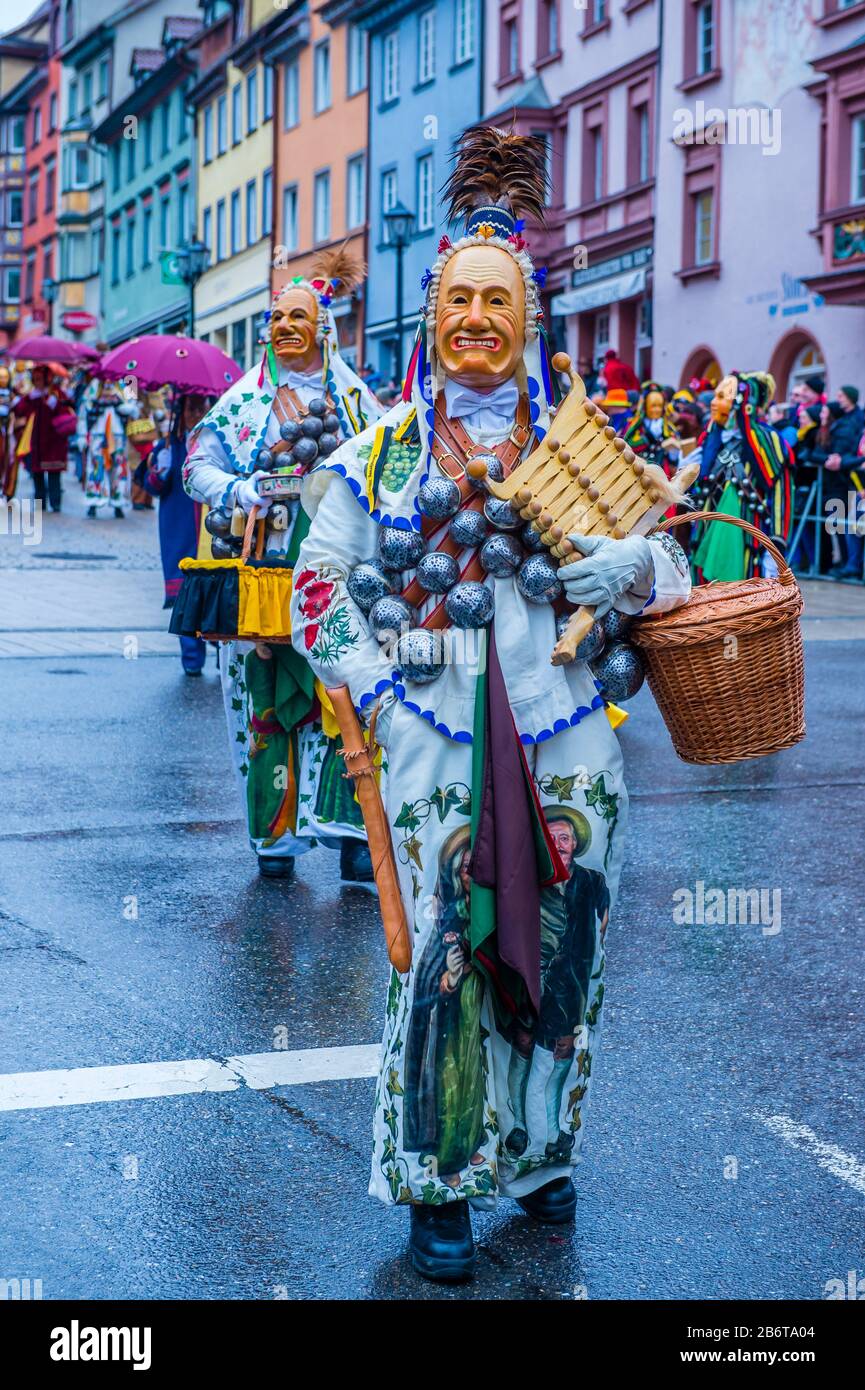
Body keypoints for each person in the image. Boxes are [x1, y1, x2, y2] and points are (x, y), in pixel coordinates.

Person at [290, 124, 691, 1282]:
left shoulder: (587, 451)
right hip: (430, 748)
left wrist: (632, 570)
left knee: (566, 954)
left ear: (531, 318)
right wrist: (380, 690)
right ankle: (441, 1180)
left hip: (572, 741)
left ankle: (540, 1149)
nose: (476, 318)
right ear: (431, 317)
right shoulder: (380, 459)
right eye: (457, 299)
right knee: (444, 965)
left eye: (496, 300)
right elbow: (318, 593)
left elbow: (675, 573)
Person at [182, 245, 384, 882]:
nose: (284, 326)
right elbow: (196, 469)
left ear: (324, 329)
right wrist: (237, 489)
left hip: (337, 577)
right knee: (267, 704)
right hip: (262, 578)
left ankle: (354, 836)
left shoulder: (357, 406)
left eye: (298, 316)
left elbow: (390, 469)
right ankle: (273, 840)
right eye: (276, 318)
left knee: (344, 698)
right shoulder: (243, 404)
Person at [690, 372, 793, 582]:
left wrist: (775, 544)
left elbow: (782, 493)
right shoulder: (713, 438)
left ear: (742, 403)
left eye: (722, 397)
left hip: (748, 538)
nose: (713, 403)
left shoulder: (768, 440)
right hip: (706, 532)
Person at [143, 392, 214, 675]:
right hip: (179, 525)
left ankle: (223, 656)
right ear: (181, 412)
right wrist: (159, 470)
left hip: (212, 527)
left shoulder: (219, 443)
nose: (197, 414)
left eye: (201, 408)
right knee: (185, 596)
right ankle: (192, 660)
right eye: (191, 409)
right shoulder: (169, 445)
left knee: (217, 592)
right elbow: (152, 487)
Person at [806, 386, 865, 578]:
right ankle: (848, 564)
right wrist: (828, 460)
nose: (838, 398)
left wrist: (841, 462)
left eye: (841, 395)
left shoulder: (856, 419)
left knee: (844, 525)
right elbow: (817, 452)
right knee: (840, 525)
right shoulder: (840, 423)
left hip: (846, 482)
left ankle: (851, 564)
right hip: (841, 480)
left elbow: (854, 451)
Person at [11, 365, 76, 512]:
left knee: (54, 474)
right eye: (35, 379)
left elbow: (67, 410)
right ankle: (40, 503)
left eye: (39, 379)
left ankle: (56, 503)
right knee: (37, 474)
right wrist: (20, 399)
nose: (37, 382)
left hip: (54, 441)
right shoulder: (31, 396)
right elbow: (20, 410)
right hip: (36, 440)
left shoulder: (58, 393)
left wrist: (54, 403)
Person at [78, 378, 132, 518]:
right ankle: (93, 502)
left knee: (119, 468)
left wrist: (123, 406)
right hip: (98, 434)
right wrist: (82, 435)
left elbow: (133, 407)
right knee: (96, 467)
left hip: (118, 435)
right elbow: (84, 410)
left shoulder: (126, 384)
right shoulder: (94, 385)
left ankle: (118, 503)